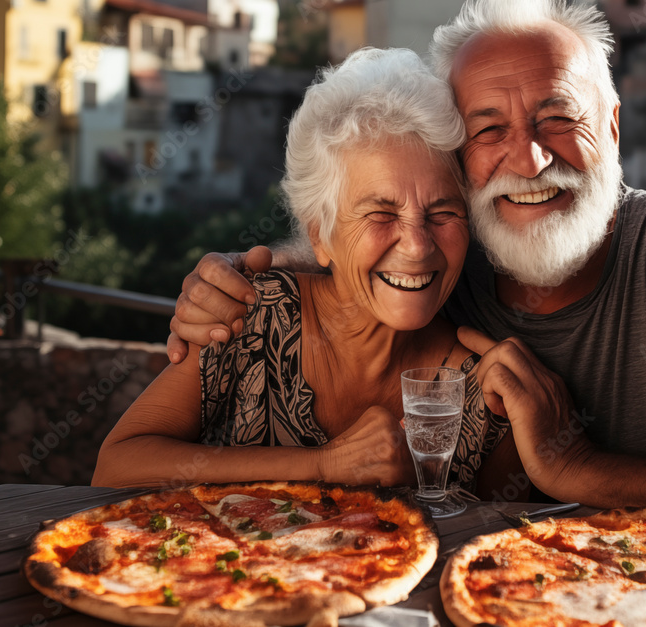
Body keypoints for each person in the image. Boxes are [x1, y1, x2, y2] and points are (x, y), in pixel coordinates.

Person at [164, 0, 646, 546]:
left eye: (558, 116)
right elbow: (373, 251)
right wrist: (241, 275)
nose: (531, 157)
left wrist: (584, 469)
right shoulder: (450, 254)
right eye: (490, 129)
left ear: (611, 125)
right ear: (460, 158)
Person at [92, 48, 519, 495]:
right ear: (320, 237)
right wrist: (323, 465)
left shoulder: (483, 393)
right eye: (380, 213)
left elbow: (494, 543)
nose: (416, 245)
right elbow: (116, 466)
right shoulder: (253, 315)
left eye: (443, 212)